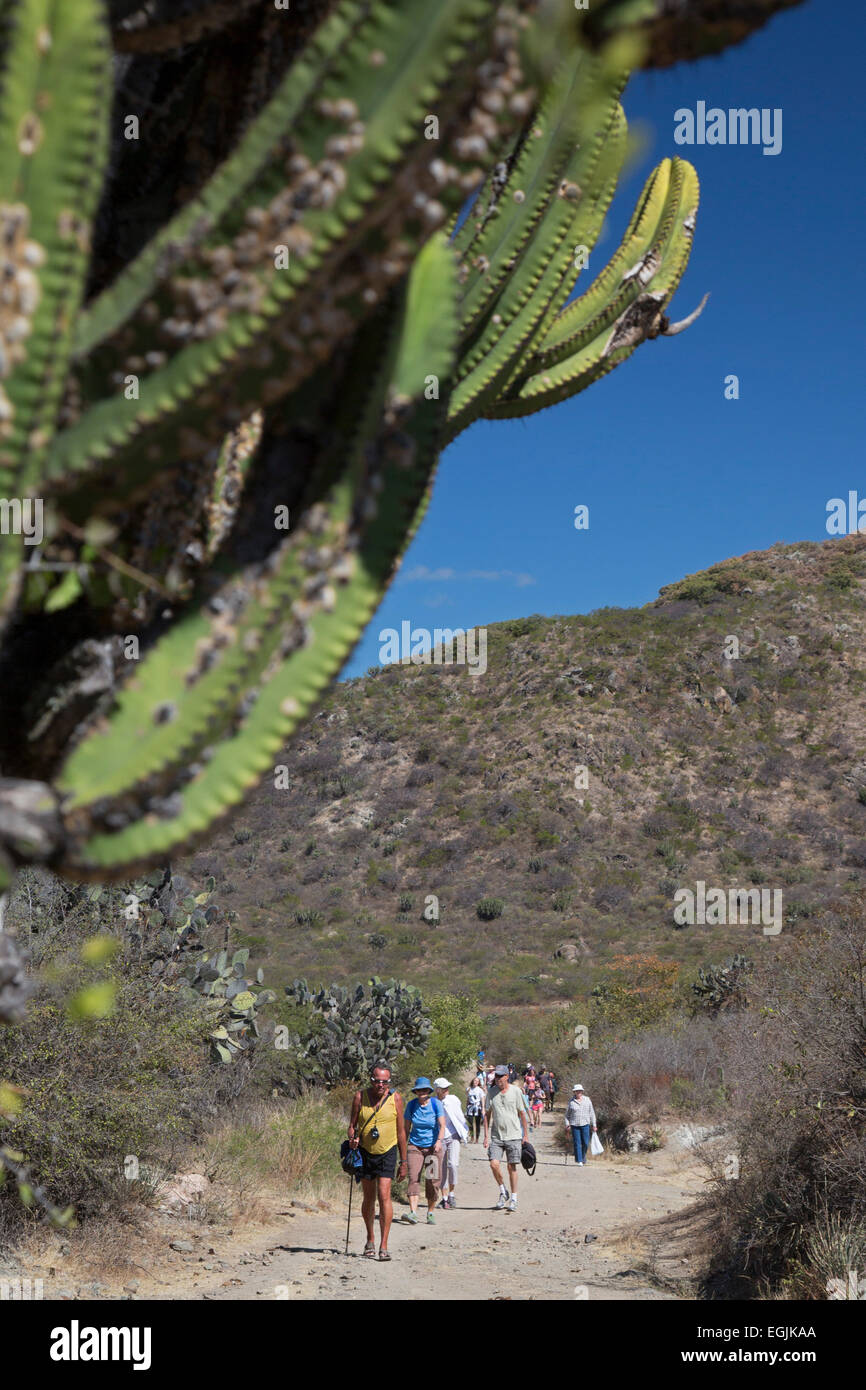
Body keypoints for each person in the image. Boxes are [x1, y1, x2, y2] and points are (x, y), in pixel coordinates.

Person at [348, 1060, 407, 1261]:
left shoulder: (396, 1099)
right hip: (365, 1151)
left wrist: (404, 1161)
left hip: (388, 1151)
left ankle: (384, 1245)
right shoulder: (360, 1097)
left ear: (389, 1081)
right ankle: (370, 1239)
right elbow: (352, 1125)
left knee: (384, 1195)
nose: (380, 1085)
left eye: (385, 1081)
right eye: (376, 1081)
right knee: (369, 1197)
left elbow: (401, 1132)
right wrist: (353, 1138)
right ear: (371, 1080)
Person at [483, 1063, 530, 1213]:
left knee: (511, 1167)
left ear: (506, 1076)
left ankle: (514, 1198)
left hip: (514, 1135)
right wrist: (485, 1136)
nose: (498, 1079)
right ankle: (503, 1191)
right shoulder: (491, 1092)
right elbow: (487, 1115)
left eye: (500, 1076)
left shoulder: (516, 1091)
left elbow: (522, 1113)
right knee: (494, 1164)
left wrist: (526, 1135)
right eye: (496, 1076)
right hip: (497, 1136)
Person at [402, 1078, 446, 1224]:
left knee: (432, 1180)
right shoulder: (411, 1105)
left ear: (428, 1091)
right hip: (415, 1146)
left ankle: (430, 1212)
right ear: (415, 1092)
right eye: (419, 1090)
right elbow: (406, 1128)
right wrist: (402, 1147)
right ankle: (413, 1212)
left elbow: (442, 1125)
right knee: (413, 1177)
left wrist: (439, 1141)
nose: (421, 1093)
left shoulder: (436, 1104)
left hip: (433, 1147)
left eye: (424, 1090)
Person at [434, 1078, 469, 1208]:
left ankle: (452, 1194)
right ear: (437, 1090)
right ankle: (444, 1198)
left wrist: (464, 1131)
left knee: (453, 1164)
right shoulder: (434, 1102)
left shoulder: (453, 1099)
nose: (446, 1090)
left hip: (454, 1135)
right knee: (441, 1168)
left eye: (447, 1087)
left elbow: (459, 1116)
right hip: (440, 1137)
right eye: (443, 1088)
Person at [565, 1083, 598, 1165]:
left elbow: (592, 1113)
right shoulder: (571, 1102)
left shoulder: (587, 1100)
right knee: (577, 1143)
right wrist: (567, 1124)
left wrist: (594, 1125)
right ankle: (579, 1160)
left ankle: (583, 1157)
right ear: (574, 1092)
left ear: (582, 1091)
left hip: (585, 1124)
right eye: (577, 1091)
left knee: (586, 1143)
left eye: (580, 1091)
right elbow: (567, 1115)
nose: (578, 1092)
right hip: (574, 1125)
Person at [466, 1076, 486, 1143]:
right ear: (472, 1081)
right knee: (470, 1124)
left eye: (477, 1081)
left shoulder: (480, 1090)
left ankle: (477, 1139)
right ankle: (472, 1137)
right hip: (470, 1107)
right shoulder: (469, 1089)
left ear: (479, 1083)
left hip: (478, 1108)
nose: (476, 1082)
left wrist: (483, 1108)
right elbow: (468, 1099)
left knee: (477, 1124)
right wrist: (466, 1107)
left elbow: (482, 1099)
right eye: (475, 1081)